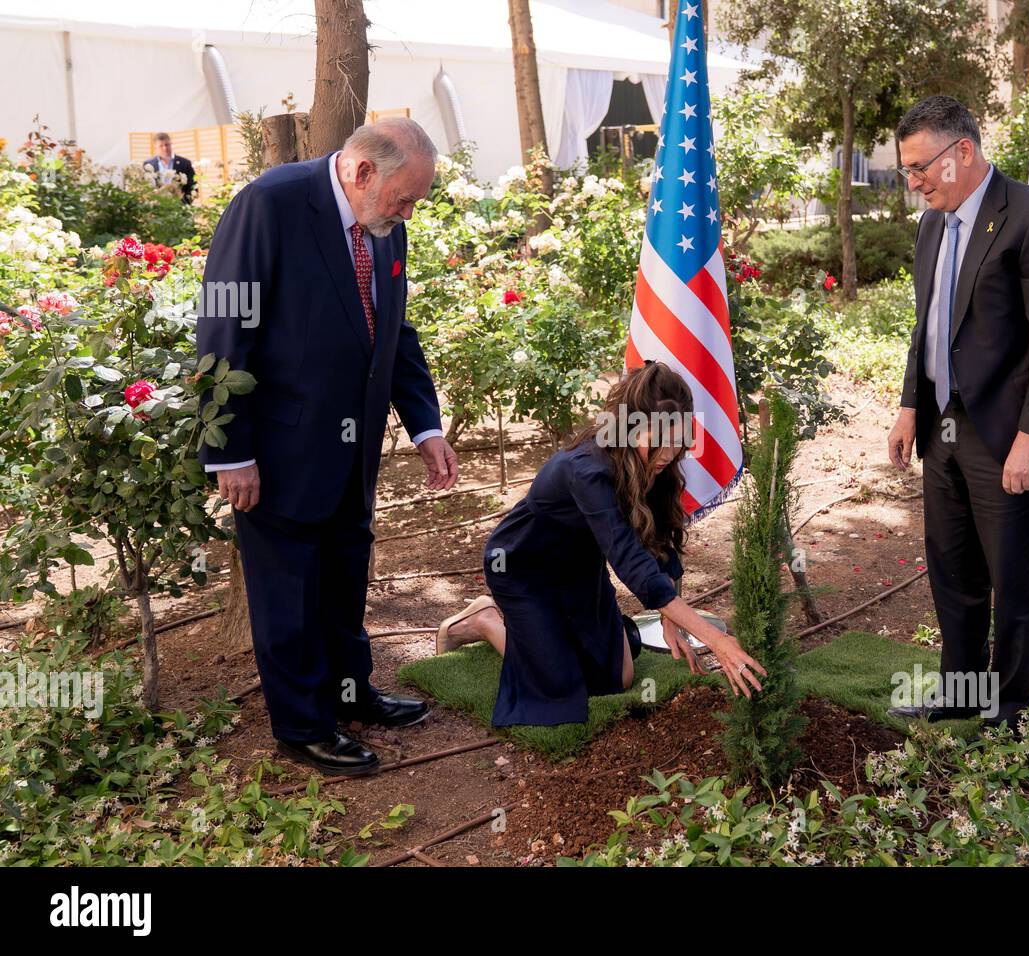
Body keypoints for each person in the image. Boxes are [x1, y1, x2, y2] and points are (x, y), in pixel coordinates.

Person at [196, 118, 461, 775]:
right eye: (404, 198)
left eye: (415, 203)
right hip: (280, 449)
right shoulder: (270, 204)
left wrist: (425, 426)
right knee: (288, 594)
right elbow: (224, 328)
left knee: (344, 580)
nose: (408, 214)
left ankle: (351, 694)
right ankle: (303, 726)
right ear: (362, 171)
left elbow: (397, 331)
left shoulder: (385, 225)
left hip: (353, 448)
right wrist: (228, 451)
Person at [885, 96, 1029, 733]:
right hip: (943, 429)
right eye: (906, 170)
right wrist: (909, 406)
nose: (914, 182)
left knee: (1011, 578)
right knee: (953, 569)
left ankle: (1007, 708)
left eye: (920, 167)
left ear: (963, 153)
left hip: (1010, 434)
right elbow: (927, 327)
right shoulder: (931, 224)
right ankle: (962, 692)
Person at [436, 361, 766, 726]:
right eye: (662, 443)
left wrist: (670, 618)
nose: (671, 455)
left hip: (579, 569)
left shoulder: (655, 461)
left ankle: (544, 633)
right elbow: (629, 560)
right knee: (560, 690)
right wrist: (718, 642)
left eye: (678, 441)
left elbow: (659, 538)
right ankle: (483, 620)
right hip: (525, 569)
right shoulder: (587, 470)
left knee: (616, 680)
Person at [143, 133, 196, 204]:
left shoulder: (185, 163)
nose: (165, 148)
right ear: (155, 147)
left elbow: (193, 186)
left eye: (167, 144)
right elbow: (145, 187)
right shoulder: (148, 164)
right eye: (161, 146)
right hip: (157, 207)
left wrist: (184, 204)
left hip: (180, 206)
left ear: (171, 144)